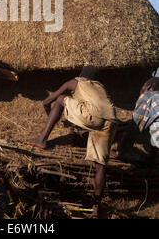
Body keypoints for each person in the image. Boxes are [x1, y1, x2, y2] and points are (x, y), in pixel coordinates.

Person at [27, 65, 117, 219]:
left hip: (92, 117)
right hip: (111, 121)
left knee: (61, 99)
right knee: (100, 166)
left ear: (81, 75)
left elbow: (48, 100)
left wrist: (50, 111)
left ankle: (42, 139)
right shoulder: (100, 87)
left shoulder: (76, 81)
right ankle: (96, 209)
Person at [111, 77, 159, 165]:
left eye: (143, 85)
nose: (141, 88)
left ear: (148, 87)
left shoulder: (148, 97)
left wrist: (120, 152)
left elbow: (134, 129)